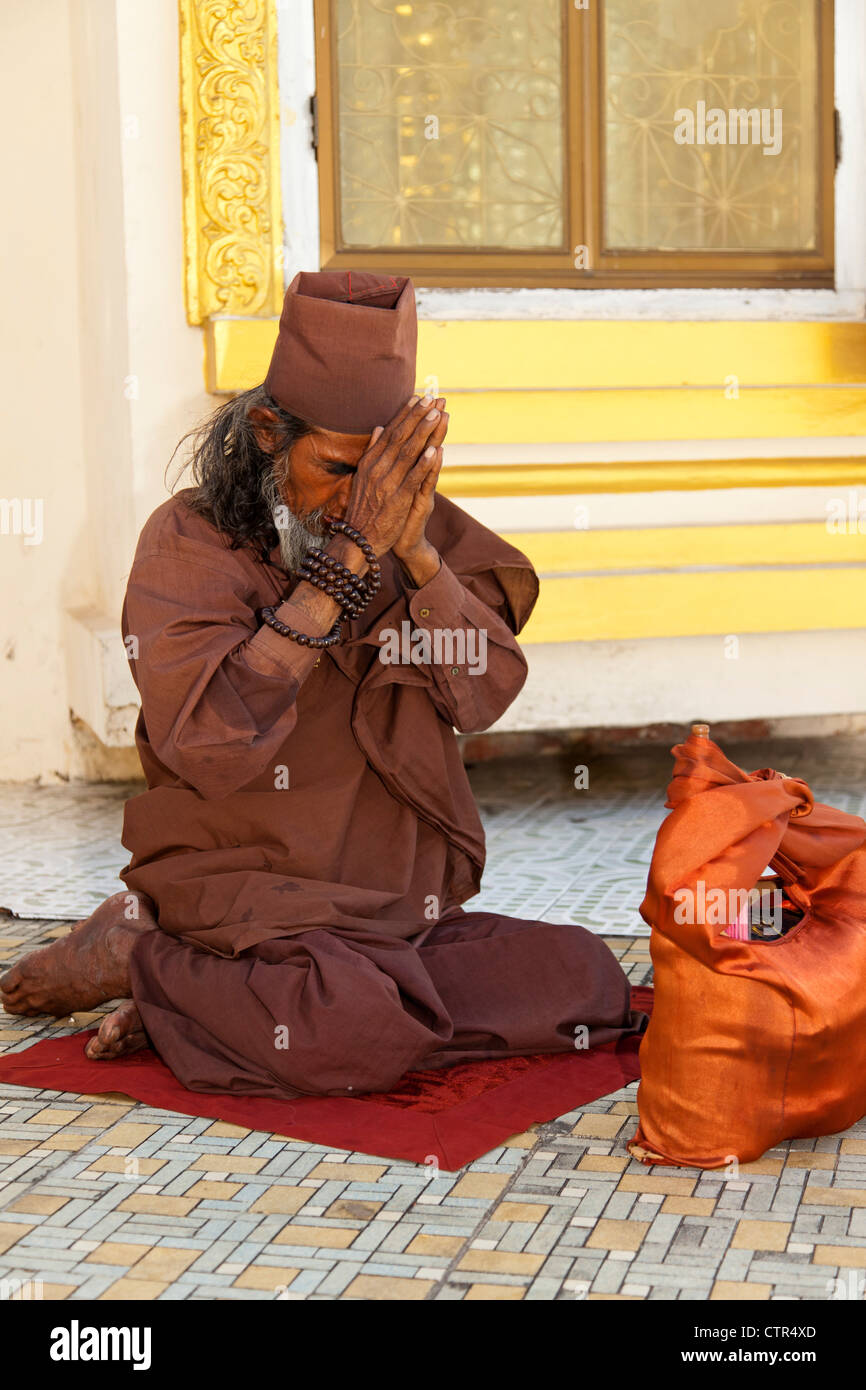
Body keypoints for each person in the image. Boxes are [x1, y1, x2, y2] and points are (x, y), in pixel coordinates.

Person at [0, 272, 643, 1099]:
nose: (361, 502)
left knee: (582, 981)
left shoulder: (408, 525)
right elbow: (207, 739)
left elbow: (484, 696)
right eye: (339, 470)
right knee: (350, 1029)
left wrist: (413, 552)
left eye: (386, 475)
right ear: (269, 432)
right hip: (244, 889)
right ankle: (145, 955)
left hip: (390, 907)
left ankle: (197, 1003)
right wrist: (345, 563)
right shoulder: (188, 542)